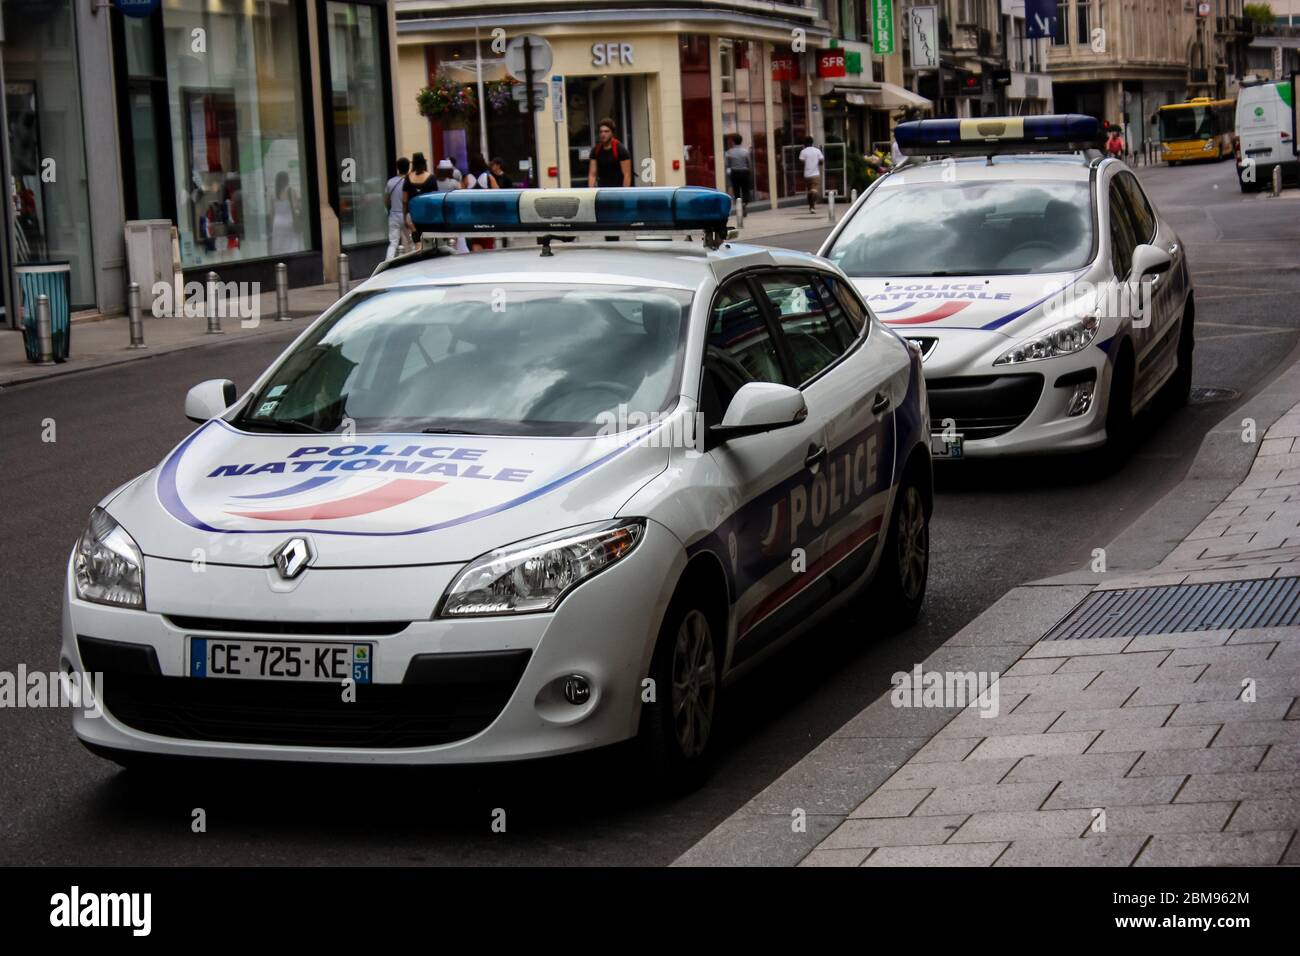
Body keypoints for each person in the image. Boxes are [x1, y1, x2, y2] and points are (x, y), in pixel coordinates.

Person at [462, 154, 499, 252]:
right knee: (488, 241)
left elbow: (460, 196)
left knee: (475, 241)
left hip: (472, 214)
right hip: (487, 214)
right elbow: (498, 193)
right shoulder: (489, 177)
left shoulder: (467, 178)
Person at [402, 152, 437, 247]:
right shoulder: (431, 178)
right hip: (427, 213)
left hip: (412, 213)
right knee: (428, 237)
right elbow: (434, 198)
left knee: (416, 237)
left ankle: (418, 250)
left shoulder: (408, 178)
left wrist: (404, 216)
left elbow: (404, 200)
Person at [587, 117, 632, 187]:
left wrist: (624, 195)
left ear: (612, 133)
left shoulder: (620, 149)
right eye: (601, 131)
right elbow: (592, 175)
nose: (603, 134)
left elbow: (627, 175)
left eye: (606, 131)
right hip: (602, 190)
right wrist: (590, 192)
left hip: (618, 190)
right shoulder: (596, 150)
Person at [383, 156, 410, 260]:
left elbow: (386, 200)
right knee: (412, 241)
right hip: (406, 215)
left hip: (394, 215)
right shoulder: (409, 182)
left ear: (397, 168)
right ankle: (414, 263)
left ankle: (388, 263)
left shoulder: (390, 182)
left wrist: (388, 210)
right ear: (408, 168)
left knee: (393, 243)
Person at [269, 171, 300, 255]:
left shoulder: (273, 194)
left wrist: (272, 226)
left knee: (279, 249)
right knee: (291, 248)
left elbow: (272, 213)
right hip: (289, 222)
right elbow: (296, 206)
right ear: (286, 180)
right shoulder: (290, 191)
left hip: (277, 224)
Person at [724, 133, 753, 206]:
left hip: (735, 172)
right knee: (745, 189)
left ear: (733, 141)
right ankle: (745, 204)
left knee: (736, 190)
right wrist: (749, 171)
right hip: (744, 172)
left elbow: (727, 165)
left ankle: (738, 205)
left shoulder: (729, 152)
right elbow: (749, 163)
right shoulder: (746, 152)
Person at [798, 136, 824, 213]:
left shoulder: (803, 152)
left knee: (810, 191)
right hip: (815, 174)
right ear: (812, 142)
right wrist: (817, 163)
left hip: (807, 174)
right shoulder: (817, 151)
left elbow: (801, 162)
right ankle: (812, 207)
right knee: (814, 191)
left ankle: (810, 207)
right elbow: (821, 161)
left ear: (805, 143)